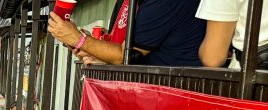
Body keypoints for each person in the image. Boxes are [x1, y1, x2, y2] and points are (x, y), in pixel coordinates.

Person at [46, 0, 206, 66]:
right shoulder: (128, 3)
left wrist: (78, 39)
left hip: (172, 101)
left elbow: (125, 55)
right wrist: (91, 49)